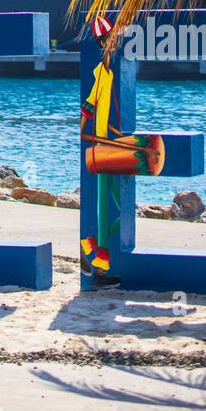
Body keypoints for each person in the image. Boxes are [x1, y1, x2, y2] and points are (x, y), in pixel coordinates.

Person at [80, 15, 121, 286]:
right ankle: (99, 268)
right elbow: (91, 105)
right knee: (113, 209)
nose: (116, 42)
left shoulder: (106, 71)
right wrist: (85, 128)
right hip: (105, 146)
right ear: (105, 42)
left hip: (109, 142)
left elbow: (91, 105)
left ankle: (89, 249)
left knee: (116, 207)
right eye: (112, 38)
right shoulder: (103, 70)